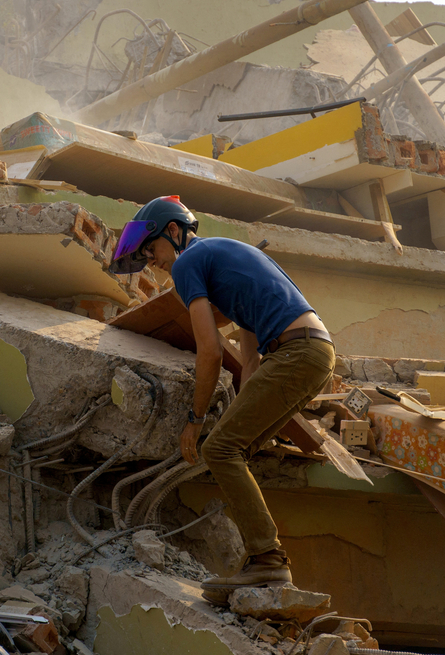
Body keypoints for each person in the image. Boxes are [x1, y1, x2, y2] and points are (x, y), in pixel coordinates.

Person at [111, 195, 335, 605]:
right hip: (314, 352)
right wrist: (233, 416)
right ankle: (267, 561)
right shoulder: (230, 259)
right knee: (233, 448)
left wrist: (196, 420)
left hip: (296, 353)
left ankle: (267, 558)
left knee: (219, 448)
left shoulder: (188, 262)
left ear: (174, 232)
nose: (154, 262)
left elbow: (210, 350)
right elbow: (248, 362)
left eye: (153, 249)